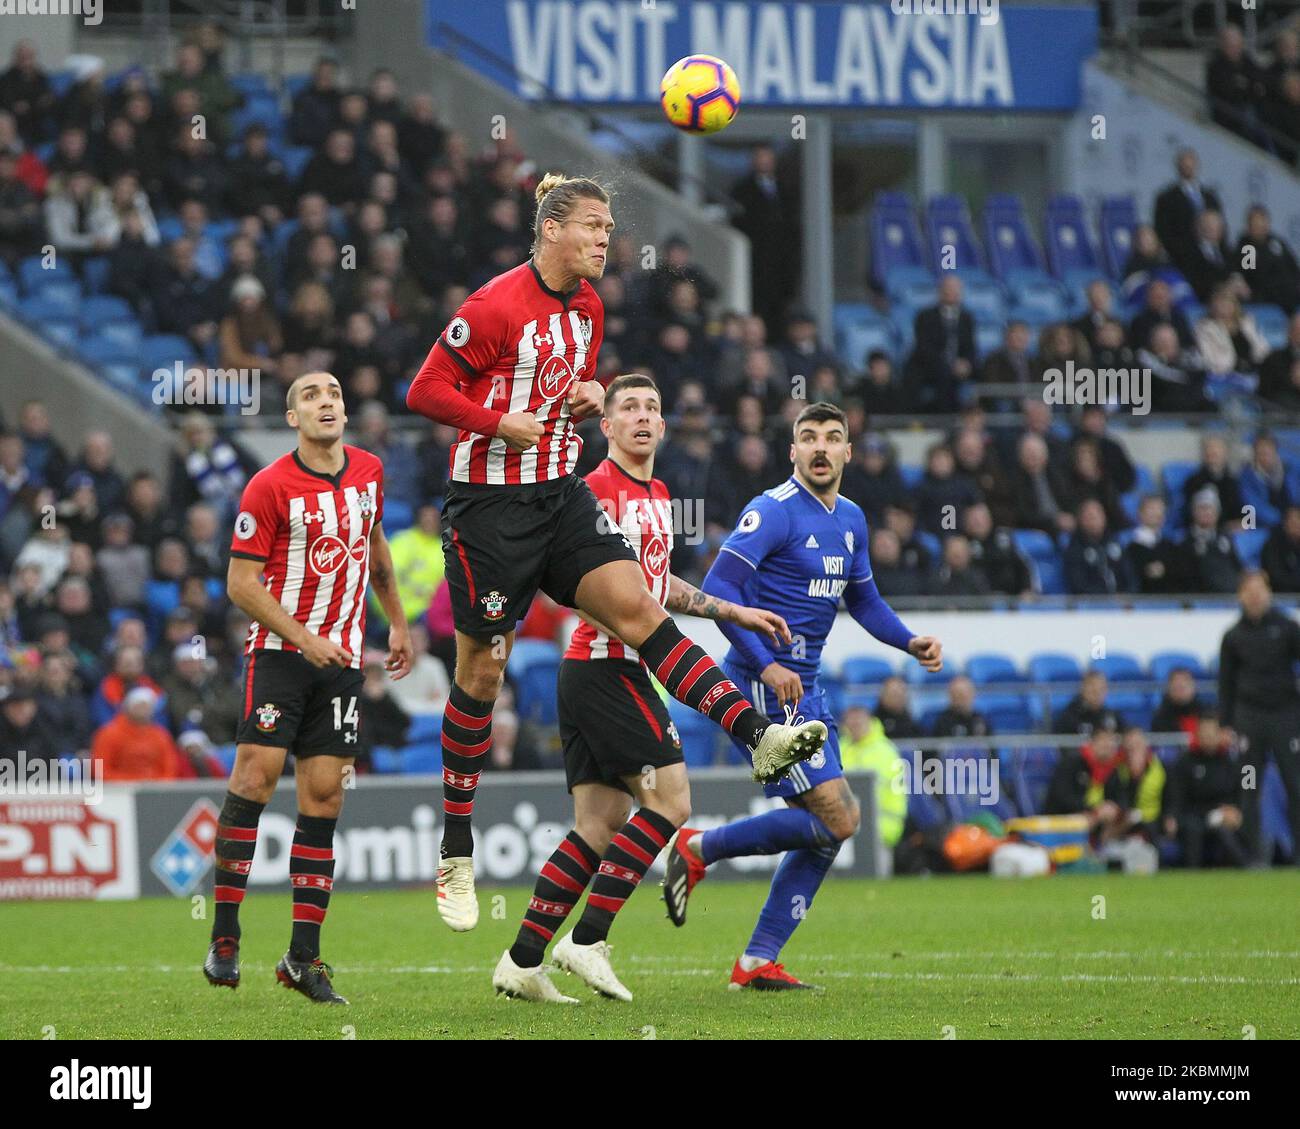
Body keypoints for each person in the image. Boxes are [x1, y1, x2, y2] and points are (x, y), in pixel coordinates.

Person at [403, 173, 828, 931]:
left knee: (638, 602)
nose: (607, 239)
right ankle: (456, 848)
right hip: (489, 511)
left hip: (559, 491)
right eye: (594, 226)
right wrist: (502, 423)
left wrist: (586, 400)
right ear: (553, 230)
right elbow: (425, 391)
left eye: (608, 226)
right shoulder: (494, 305)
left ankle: (757, 736)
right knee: (481, 670)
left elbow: (570, 385)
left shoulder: (591, 308)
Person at [493, 374, 793, 1002]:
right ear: (605, 426)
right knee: (672, 804)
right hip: (607, 667)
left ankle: (521, 962)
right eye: (627, 406)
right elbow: (599, 591)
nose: (641, 416)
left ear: (662, 426)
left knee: (598, 827)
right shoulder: (594, 491)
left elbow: (658, 592)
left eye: (652, 407)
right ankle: (588, 939)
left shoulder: (656, 492)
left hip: (599, 671)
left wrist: (735, 612)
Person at [663, 401, 943, 990]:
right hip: (758, 685)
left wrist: (909, 640)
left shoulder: (852, 520)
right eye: (808, 437)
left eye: (832, 438)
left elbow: (862, 600)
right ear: (792, 451)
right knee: (839, 815)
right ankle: (700, 847)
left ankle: (757, 959)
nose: (820, 447)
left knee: (829, 827)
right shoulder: (772, 512)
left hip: (804, 691)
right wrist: (765, 667)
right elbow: (718, 588)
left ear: (847, 451)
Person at [202, 371, 413, 1005]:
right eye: (311, 397)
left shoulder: (370, 472)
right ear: (292, 419)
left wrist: (398, 622)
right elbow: (241, 584)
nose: (326, 402)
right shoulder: (268, 487)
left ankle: (303, 957)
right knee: (255, 780)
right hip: (280, 659)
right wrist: (302, 637)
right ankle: (225, 938)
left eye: (334, 394)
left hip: (343, 662)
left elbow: (375, 552)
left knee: (323, 798)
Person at [1218, 570, 1300, 866]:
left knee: (1295, 784)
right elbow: (1225, 683)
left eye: (1259, 589)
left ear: (1268, 593)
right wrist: (1225, 724)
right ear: (1241, 595)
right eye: (1248, 590)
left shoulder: (1287, 628)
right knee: (1249, 786)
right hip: (1248, 720)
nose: (1254, 596)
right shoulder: (1233, 636)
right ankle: (1254, 855)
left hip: (1285, 716)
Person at [1165, 713, 1248, 868]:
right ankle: (1193, 873)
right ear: (1197, 735)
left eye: (1212, 734)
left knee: (1227, 830)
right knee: (1193, 828)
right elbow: (1177, 795)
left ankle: (1244, 868)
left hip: (1223, 814)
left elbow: (1243, 791)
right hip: (1193, 814)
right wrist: (1172, 816)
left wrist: (1235, 810)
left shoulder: (1233, 762)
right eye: (1204, 734)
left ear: (1219, 735)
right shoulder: (1185, 761)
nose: (1208, 738)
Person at [837, 704, 905, 874]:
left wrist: (890, 831)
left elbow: (896, 795)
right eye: (851, 723)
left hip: (879, 831)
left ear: (869, 722)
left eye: (858, 722)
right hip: (844, 833)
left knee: (877, 883)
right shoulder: (838, 749)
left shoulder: (886, 751)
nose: (854, 727)